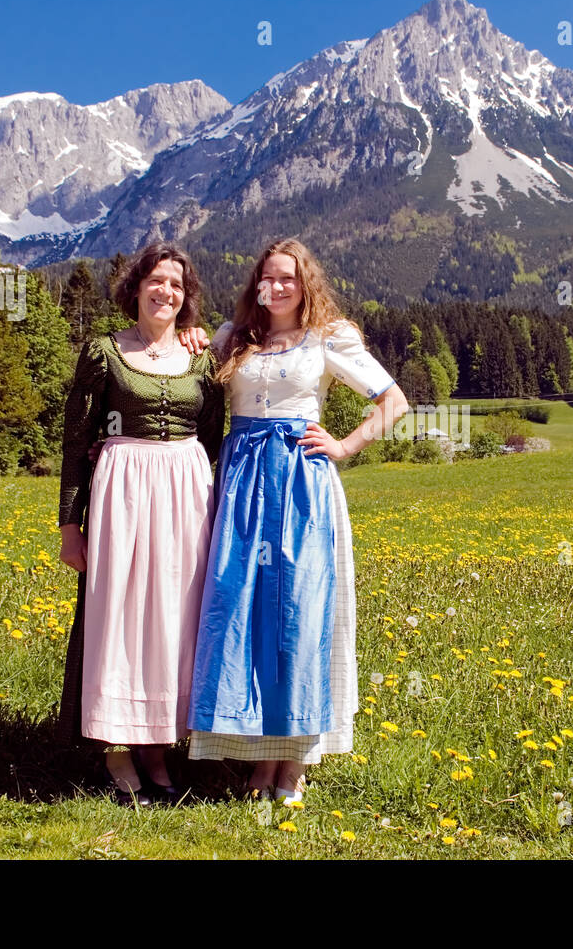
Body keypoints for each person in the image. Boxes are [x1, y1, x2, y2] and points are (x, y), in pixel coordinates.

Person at [177, 237, 407, 803]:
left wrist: (346, 445)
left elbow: (393, 401)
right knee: (239, 609)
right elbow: (188, 375)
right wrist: (191, 336)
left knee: (298, 615)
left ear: (306, 283)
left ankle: (292, 763)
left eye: (288, 278)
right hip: (240, 485)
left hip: (300, 485)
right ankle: (256, 755)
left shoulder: (330, 337)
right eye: (268, 278)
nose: (276, 287)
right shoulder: (235, 338)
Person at [57, 242, 224, 806]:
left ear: (187, 297)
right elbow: (77, 440)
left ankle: (159, 745)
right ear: (135, 289)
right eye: (156, 280)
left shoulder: (202, 358)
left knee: (175, 616)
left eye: (176, 284)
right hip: (121, 490)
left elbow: (213, 438)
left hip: (185, 492)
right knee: (119, 612)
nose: (166, 292)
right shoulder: (103, 353)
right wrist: (69, 525)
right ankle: (117, 748)